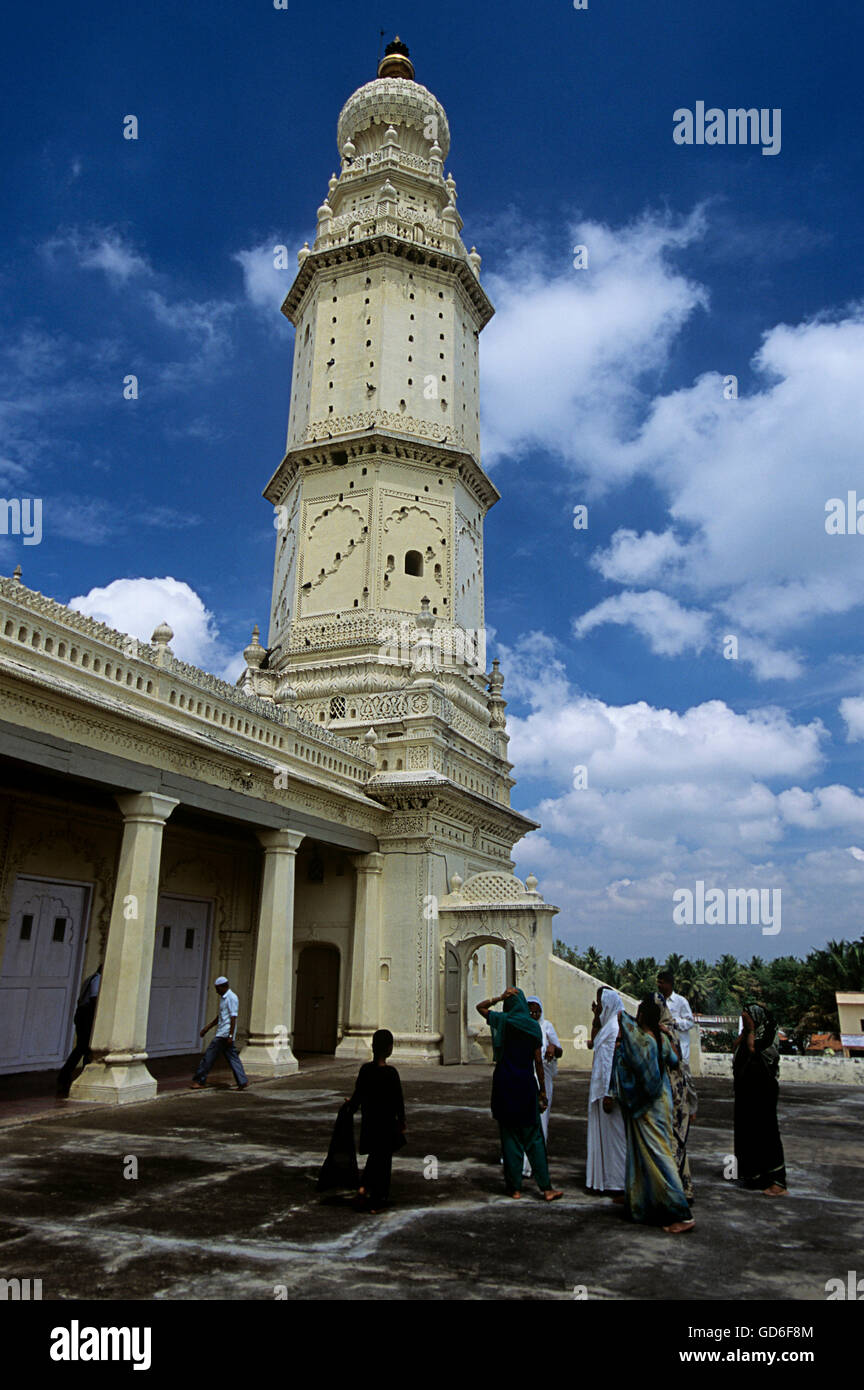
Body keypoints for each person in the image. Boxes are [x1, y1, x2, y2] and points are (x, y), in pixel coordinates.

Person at [611, 996, 694, 1233]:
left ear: (642, 1017)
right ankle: (641, 1203)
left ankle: (682, 1214)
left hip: (649, 1105)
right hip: (662, 1101)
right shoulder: (660, 1039)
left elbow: (621, 1019)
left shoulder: (641, 1041)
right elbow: (676, 1061)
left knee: (659, 1155)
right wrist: (664, 1032)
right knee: (643, 1152)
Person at [477, 985, 562, 1202]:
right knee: (533, 1137)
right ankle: (546, 1188)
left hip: (504, 1083)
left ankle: (514, 1188)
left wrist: (498, 998)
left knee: (509, 1137)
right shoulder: (533, 1027)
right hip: (525, 1084)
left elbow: (480, 1007)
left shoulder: (502, 1021)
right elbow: (538, 1062)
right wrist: (543, 1091)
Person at [346, 1029, 406, 1213]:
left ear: (372, 1047)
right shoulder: (391, 1073)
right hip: (386, 1125)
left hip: (370, 1123)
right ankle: (377, 1200)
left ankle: (364, 1188)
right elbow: (398, 1101)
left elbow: (358, 1094)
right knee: (383, 1162)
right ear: (390, 1049)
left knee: (374, 1158)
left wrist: (351, 1106)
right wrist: (402, 1122)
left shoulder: (366, 1070)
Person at [733, 1002, 788, 1197]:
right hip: (746, 1091)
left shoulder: (767, 1033)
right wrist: (745, 1030)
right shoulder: (748, 1032)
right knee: (749, 1132)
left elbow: (754, 1049)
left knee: (767, 1132)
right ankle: (755, 1175)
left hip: (762, 1090)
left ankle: (777, 1181)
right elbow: (737, 1047)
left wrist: (751, 1030)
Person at [654, 989, 694, 1202]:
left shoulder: (665, 1034)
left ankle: (675, 1196)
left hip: (671, 1096)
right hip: (675, 1096)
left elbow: (672, 1060)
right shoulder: (664, 1032)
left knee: (671, 1145)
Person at [586, 986, 626, 1196]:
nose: (598, 1006)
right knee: (606, 1139)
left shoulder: (615, 1030)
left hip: (609, 1094)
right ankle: (606, 1180)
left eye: (600, 1003)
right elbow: (594, 1042)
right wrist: (595, 1016)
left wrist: (610, 1094)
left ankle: (619, 1183)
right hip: (601, 1091)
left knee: (616, 1140)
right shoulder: (607, 1026)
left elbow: (614, 1064)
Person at [190, 976, 249, 1090]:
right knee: (232, 1058)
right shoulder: (224, 998)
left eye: (218, 988)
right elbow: (221, 1016)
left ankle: (200, 1080)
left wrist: (231, 1035)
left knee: (209, 1057)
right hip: (223, 1032)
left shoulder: (232, 998)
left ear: (224, 986)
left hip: (224, 1034)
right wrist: (208, 1027)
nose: (216, 991)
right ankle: (242, 1081)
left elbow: (233, 1017)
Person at [57, 962, 102, 1098]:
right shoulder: (97, 979)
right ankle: (77, 1074)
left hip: (82, 1012)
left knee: (84, 1047)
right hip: (87, 1013)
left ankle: (75, 1073)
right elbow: (94, 998)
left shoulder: (90, 979)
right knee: (85, 1047)